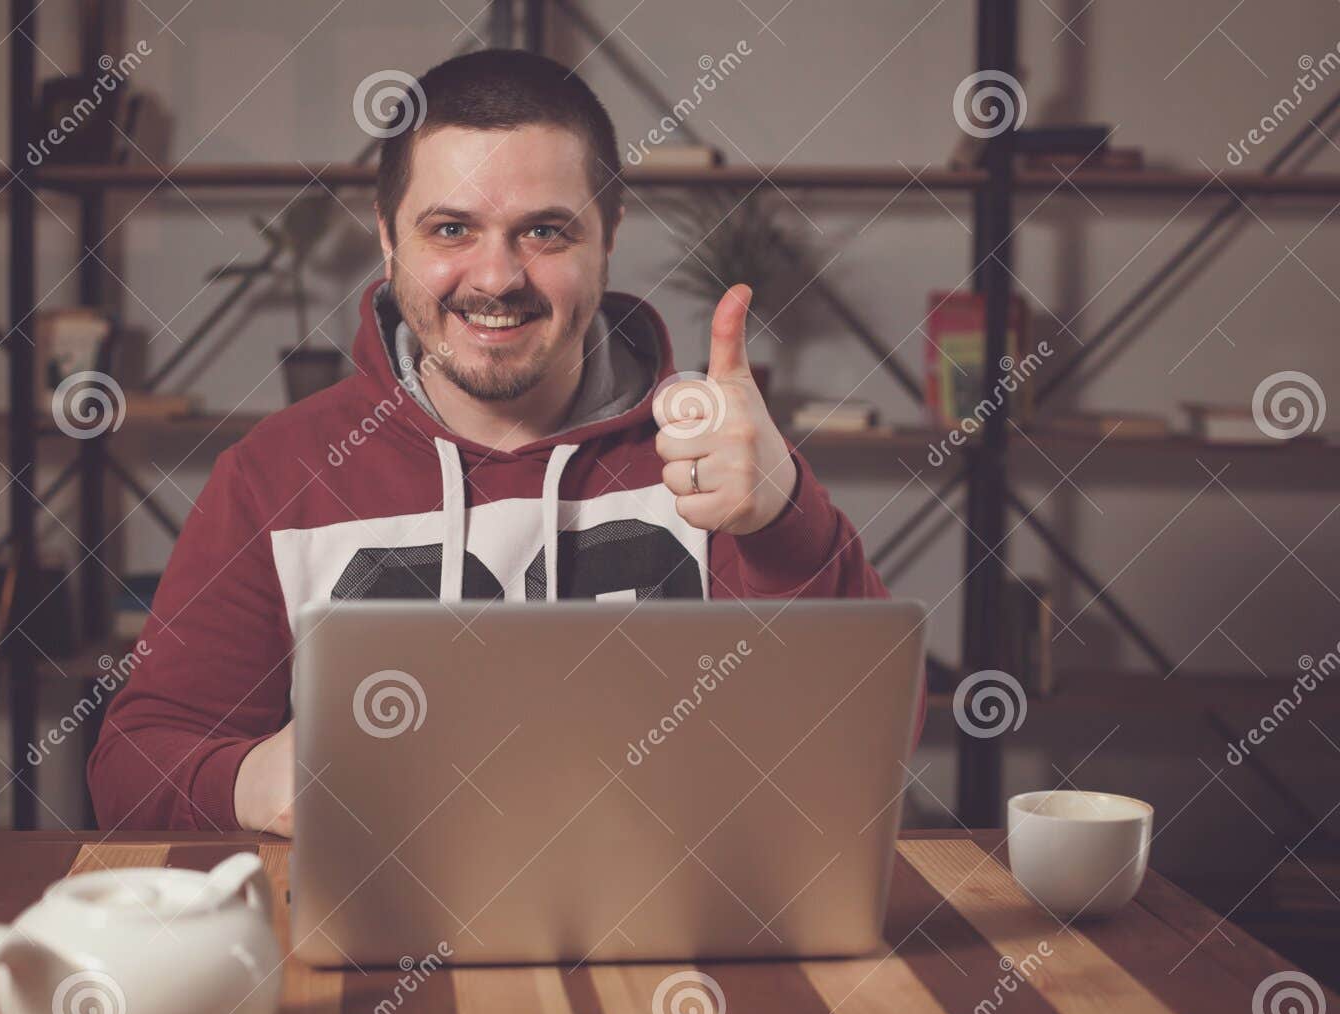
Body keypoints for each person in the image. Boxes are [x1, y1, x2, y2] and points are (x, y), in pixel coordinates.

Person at [87, 48, 906, 835]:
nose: (495, 278)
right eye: (450, 229)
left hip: (664, 937)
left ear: (609, 235)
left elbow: (865, 739)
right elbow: (130, 768)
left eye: (545, 231)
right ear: (387, 236)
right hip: (380, 945)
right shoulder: (275, 474)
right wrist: (251, 779)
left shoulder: (713, 458)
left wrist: (784, 517)